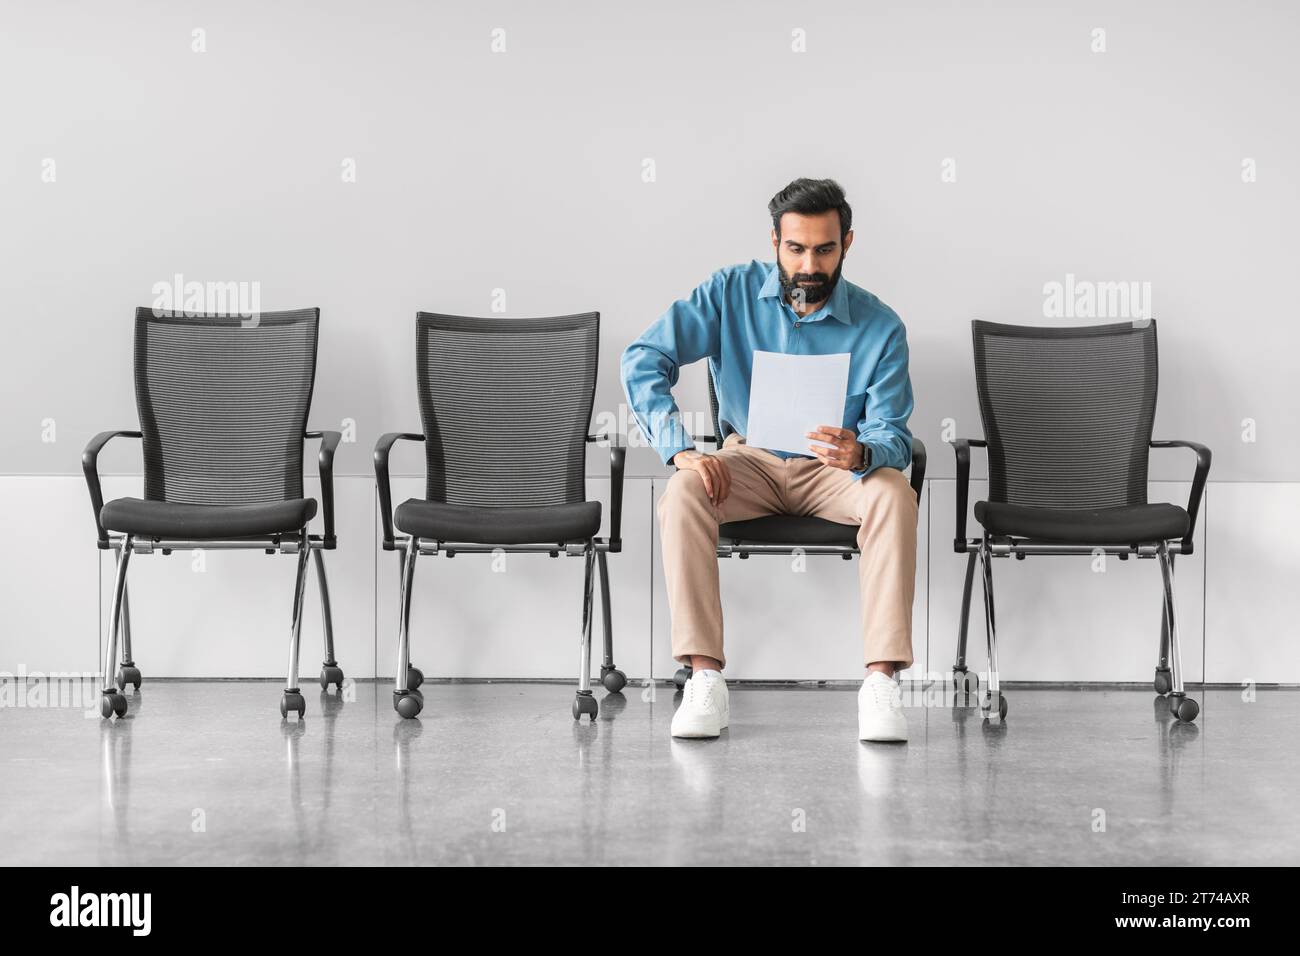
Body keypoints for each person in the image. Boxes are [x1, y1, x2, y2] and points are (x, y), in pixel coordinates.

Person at [620, 177, 919, 742]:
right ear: (774, 244)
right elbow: (644, 356)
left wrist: (864, 450)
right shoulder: (727, 294)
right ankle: (704, 677)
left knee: (893, 494)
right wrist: (678, 448)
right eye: (796, 248)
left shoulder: (882, 327)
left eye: (824, 249)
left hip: (836, 470)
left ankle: (881, 681)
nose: (810, 264)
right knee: (683, 491)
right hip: (749, 462)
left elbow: (894, 437)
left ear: (847, 244)